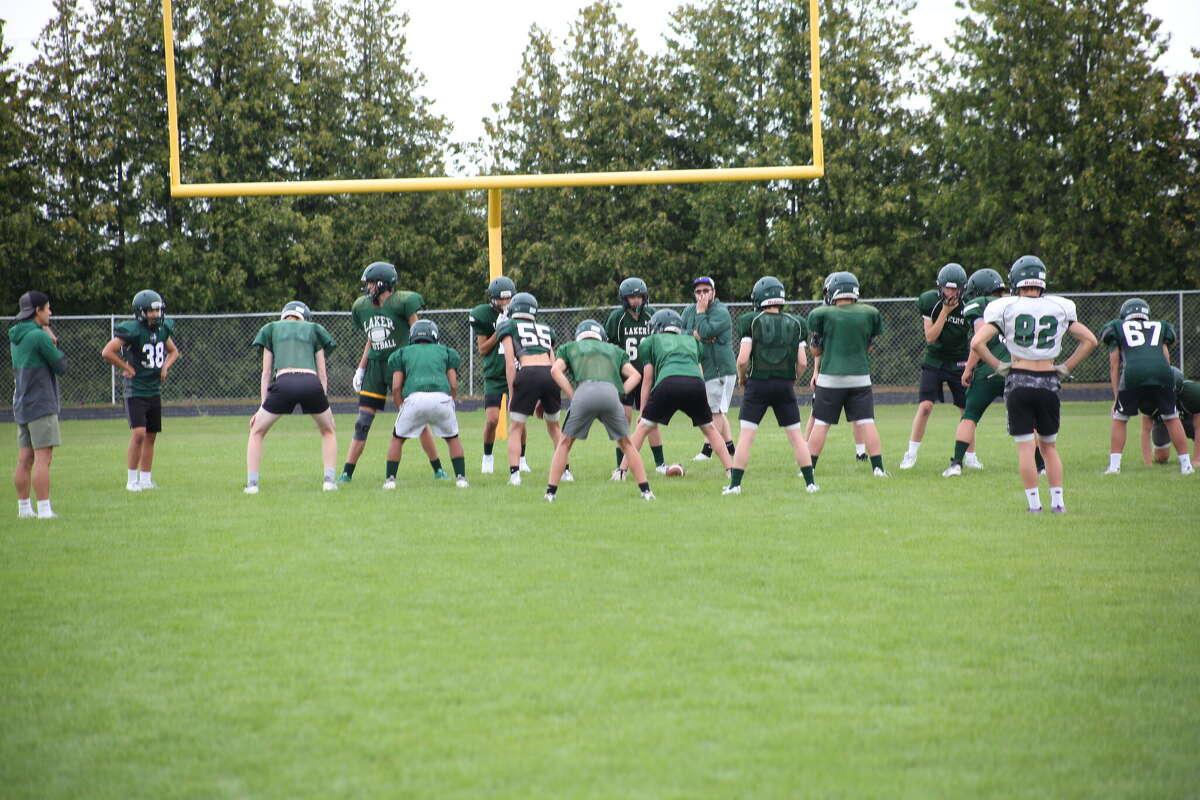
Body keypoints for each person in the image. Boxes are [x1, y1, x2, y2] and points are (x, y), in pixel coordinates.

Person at [973, 255, 1098, 513]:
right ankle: (1058, 503)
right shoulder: (1060, 307)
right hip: (1048, 380)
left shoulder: (1005, 307)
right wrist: (1066, 367)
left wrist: (998, 365)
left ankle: (1034, 505)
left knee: (1025, 447)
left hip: (1019, 378)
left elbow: (977, 343)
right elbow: (1090, 341)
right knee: (1049, 447)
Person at [340, 261, 444, 483]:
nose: (368, 288)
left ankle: (438, 469)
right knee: (362, 422)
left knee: (417, 419)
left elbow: (419, 334)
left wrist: (422, 363)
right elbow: (373, 336)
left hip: (400, 366)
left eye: (371, 283)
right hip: (375, 368)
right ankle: (346, 473)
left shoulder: (402, 302)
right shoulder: (363, 307)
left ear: (382, 284)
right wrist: (361, 367)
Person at [946, 269, 1047, 477]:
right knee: (1028, 420)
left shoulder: (980, 304)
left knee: (970, 415)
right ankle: (1041, 466)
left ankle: (956, 464)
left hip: (990, 369)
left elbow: (979, 339)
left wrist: (968, 368)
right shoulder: (1016, 303)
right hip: (1018, 367)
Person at [722, 277, 817, 495]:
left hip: (758, 384)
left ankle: (735, 485)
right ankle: (810, 484)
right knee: (796, 437)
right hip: (784, 385)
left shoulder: (751, 320)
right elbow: (803, 362)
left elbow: (742, 360)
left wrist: (742, 378)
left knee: (746, 436)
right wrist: (793, 378)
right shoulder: (796, 322)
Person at [546, 320, 654, 501]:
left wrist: (572, 394)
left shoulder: (569, 347)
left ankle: (550, 493)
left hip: (584, 393)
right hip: (610, 393)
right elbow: (636, 375)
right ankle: (646, 492)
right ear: (601, 336)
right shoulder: (614, 350)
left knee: (564, 443)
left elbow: (554, 371)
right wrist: (619, 393)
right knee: (627, 444)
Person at [619, 309, 734, 477]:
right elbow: (700, 373)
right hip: (695, 384)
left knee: (643, 427)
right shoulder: (692, 341)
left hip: (668, 383)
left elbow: (648, 379)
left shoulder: (651, 341)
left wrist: (643, 410)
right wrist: (703, 401)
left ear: (658, 327)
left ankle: (621, 471)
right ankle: (730, 470)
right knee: (709, 429)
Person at [244, 301, 338, 494]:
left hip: (284, 381)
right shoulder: (314, 329)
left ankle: (252, 485)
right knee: (328, 430)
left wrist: (262, 407)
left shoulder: (271, 328)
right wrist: (324, 404)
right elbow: (322, 373)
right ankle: (329, 482)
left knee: (257, 431)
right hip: (311, 382)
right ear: (305, 317)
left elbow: (266, 373)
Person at [805, 272, 888, 476]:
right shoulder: (869, 313)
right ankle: (878, 468)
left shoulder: (822, 314)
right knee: (867, 421)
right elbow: (869, 347)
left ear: (834, 291)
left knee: (821, 423)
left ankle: (809, 468)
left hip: (830, 377)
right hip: (860, 376)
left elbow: (816, 350)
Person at [1097, 298, 1193, 475]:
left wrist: (1116, 397)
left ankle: (1114, 466)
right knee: (1171, 417)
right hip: (1162, 372)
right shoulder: (1160, 326)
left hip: (1133, 372)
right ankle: (1186, 465)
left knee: (1120, 418)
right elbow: (1166, 358)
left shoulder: (1117, 326)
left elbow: (1114, 364)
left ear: (1125, 314)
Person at [101, 290, 179, 491]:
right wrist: (126, 367)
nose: (155, 314)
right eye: (151, 311)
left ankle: (146, 479)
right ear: (141, 312)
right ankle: (131, 480)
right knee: (139, 434)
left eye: (158, 310)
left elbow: (173, 352)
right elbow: (107, 351)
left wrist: (165, 366)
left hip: (154, 388)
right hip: (136, 389)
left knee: (151, 435)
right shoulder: (133, 330)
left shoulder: (162, 328)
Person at [900, 263, 975, 470]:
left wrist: (970, 365)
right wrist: (945, 311)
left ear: (962, 289)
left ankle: (971, 457)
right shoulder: (930, 302)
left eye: (954, 289)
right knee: (925, 406)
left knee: (967, 410)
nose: (950, 293)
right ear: (940, 286)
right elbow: (930, 337)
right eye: (947, 288)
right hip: (934, 359)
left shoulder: (969, 305)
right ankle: (911, 454)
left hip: (959, 360)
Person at [383, 319, 469, 489]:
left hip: (414, 399)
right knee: (452, 438)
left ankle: (390, 480)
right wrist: (449, 401)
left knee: (397, 439)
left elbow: (396, 387)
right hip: (441, 398)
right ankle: (461, 479)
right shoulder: (446, 351)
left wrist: (400, 406)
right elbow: (453, 384)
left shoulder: (402, 353)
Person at [497, 292, 570, 486]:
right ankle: (566, 472)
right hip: (550, 375)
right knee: (554, 427)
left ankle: (515, 475)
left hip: (528, 372)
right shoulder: (545, 329)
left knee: (516, 427)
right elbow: (554, 365)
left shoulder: (508, 326)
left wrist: (512, 393)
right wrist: (546, 394)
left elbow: (510, 364)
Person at [10, 291, 67, 520]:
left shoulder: (16, 335)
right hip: (41, 403)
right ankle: (44, 510)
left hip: (22, 402)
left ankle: (24, 509)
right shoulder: (38, 336)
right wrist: (53, 340)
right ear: (37, 310)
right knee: (44, 458)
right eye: (48, 308)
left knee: (24, 459)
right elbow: (61, 366)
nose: (50, 312)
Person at [605, 277, 667, 476]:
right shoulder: (617, 318)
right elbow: (609, 347)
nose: (636, 300)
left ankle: (660, 464)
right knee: (623, 420)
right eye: (632, 297)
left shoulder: (652, 315)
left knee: (650, 420)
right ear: (624, 299)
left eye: (639, 296)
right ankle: (620, 466)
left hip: (648, 375)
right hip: (626, 377)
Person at [468, 276, 527, 474]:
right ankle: (487, 456)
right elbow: (483, 349)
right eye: (501, 298)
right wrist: (499, 331)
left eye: (508, 298)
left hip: (516, 372)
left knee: (518, 418)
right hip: (494, 373)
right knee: (492, 419)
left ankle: (522, 458)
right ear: (492, 298)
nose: (505, 302)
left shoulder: (519, 313)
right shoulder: (483, 315)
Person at [681, 276, 737, 462]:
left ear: (714, 292)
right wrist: (696, 334)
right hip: (704, 368)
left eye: (706, 290)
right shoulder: (689, 310)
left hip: (720, 369)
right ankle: (730, 448)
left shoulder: (721, 312)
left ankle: (707, 451)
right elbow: (682, 334)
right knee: (718, 410)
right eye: (698, 291)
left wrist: (701, 314)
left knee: (714, 412)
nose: (702, 295)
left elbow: (705, 331)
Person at [1142, 367, 1198, 466]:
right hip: (1163, 422)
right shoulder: (1149, 399)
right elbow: (1145, 430)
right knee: (1161, 457)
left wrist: (1197, 459)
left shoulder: (1193, 393)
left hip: (1189, 420)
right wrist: (1147, 462)